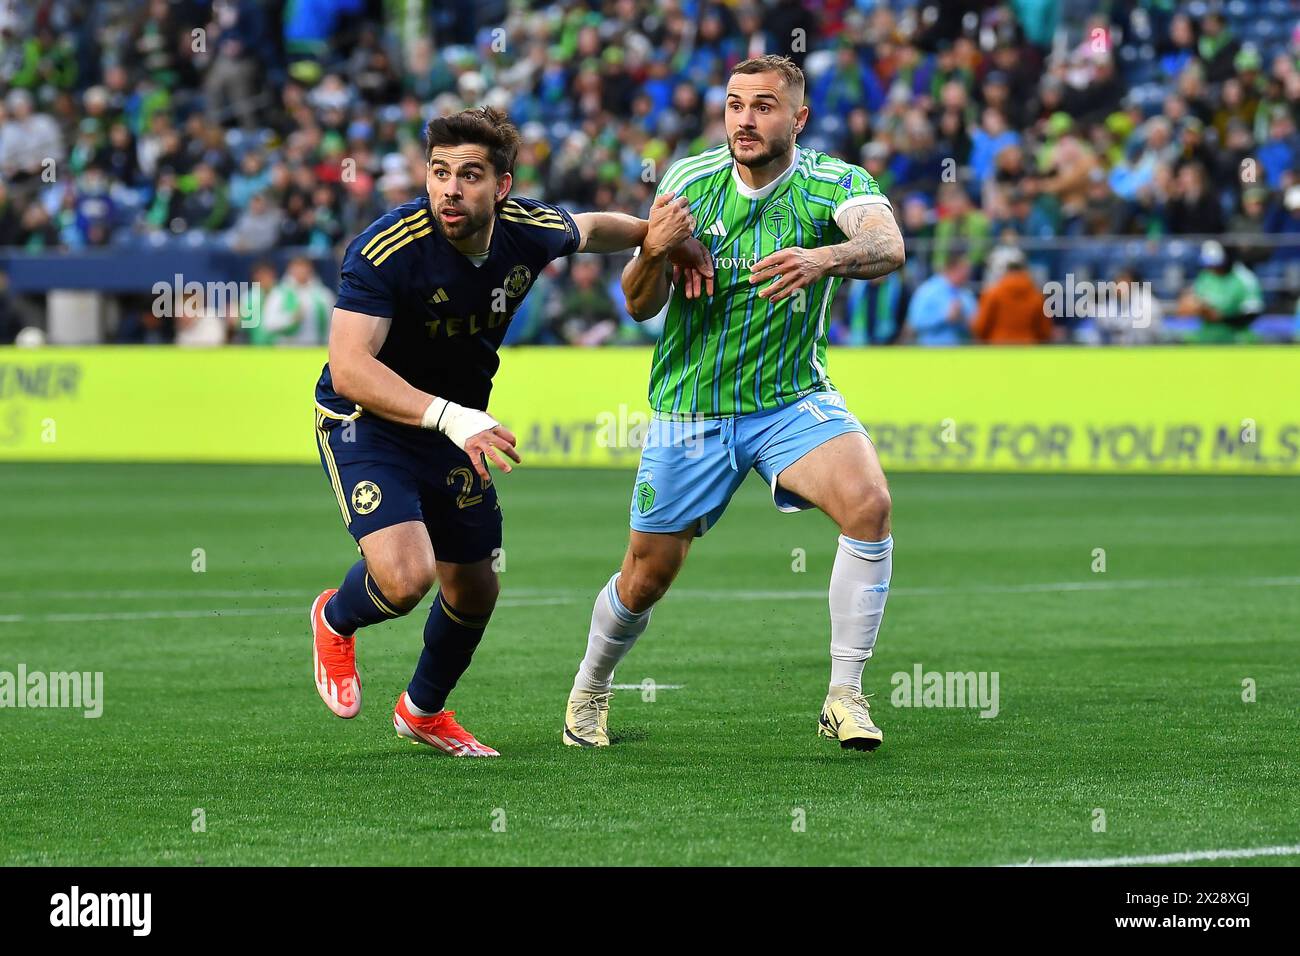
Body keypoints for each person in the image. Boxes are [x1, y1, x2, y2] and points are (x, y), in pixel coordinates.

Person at [308, 106, 710, 757]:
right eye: (439, 173)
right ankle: (335, 616)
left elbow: (589, 228)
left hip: (456, 429)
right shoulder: (388, 249)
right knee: (407, 579)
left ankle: (422, 711)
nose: (449, 189)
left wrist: (655, 238)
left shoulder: (526, 229)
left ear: (502, 185)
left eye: (469, 175)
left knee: (476, 588)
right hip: (368, 424)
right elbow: (350, 367)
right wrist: (450, 415)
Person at [561, 56, 906, 752]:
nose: (746, 118)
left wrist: (823, 259)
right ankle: (591, 688)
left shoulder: (834, 184)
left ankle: (845, 695)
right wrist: (655, 253)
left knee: (868, 504)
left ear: (798, 119)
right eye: (735, 104)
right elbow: (636, 304)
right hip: (692, 409)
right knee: (647, 574)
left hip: (790, 400)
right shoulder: (689, 180)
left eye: (765, 105)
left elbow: (887, 244)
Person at [972, 248, 1051, 343]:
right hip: (1028, 350)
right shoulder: (1037, 296)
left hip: (998, 349)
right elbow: (1045, 331)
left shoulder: (993, 294)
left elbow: (980, 327)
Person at [904, 255, 975, 345]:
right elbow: (915, 321)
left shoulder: (966, 295)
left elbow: (975, 325)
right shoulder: (928, 290)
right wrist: (944, 317)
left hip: (960, 354)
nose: (967, 275)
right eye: (963, 271)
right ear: (951, 269)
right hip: (932, 353)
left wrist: (961, 318)